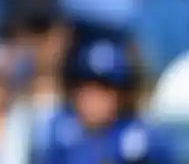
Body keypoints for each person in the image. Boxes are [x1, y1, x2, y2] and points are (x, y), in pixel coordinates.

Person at [31, 38, 177, 164]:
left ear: (122, 95)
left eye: (104, 89)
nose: (94, 99)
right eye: (87, 88)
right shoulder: (57, 131)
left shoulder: (145, 138)